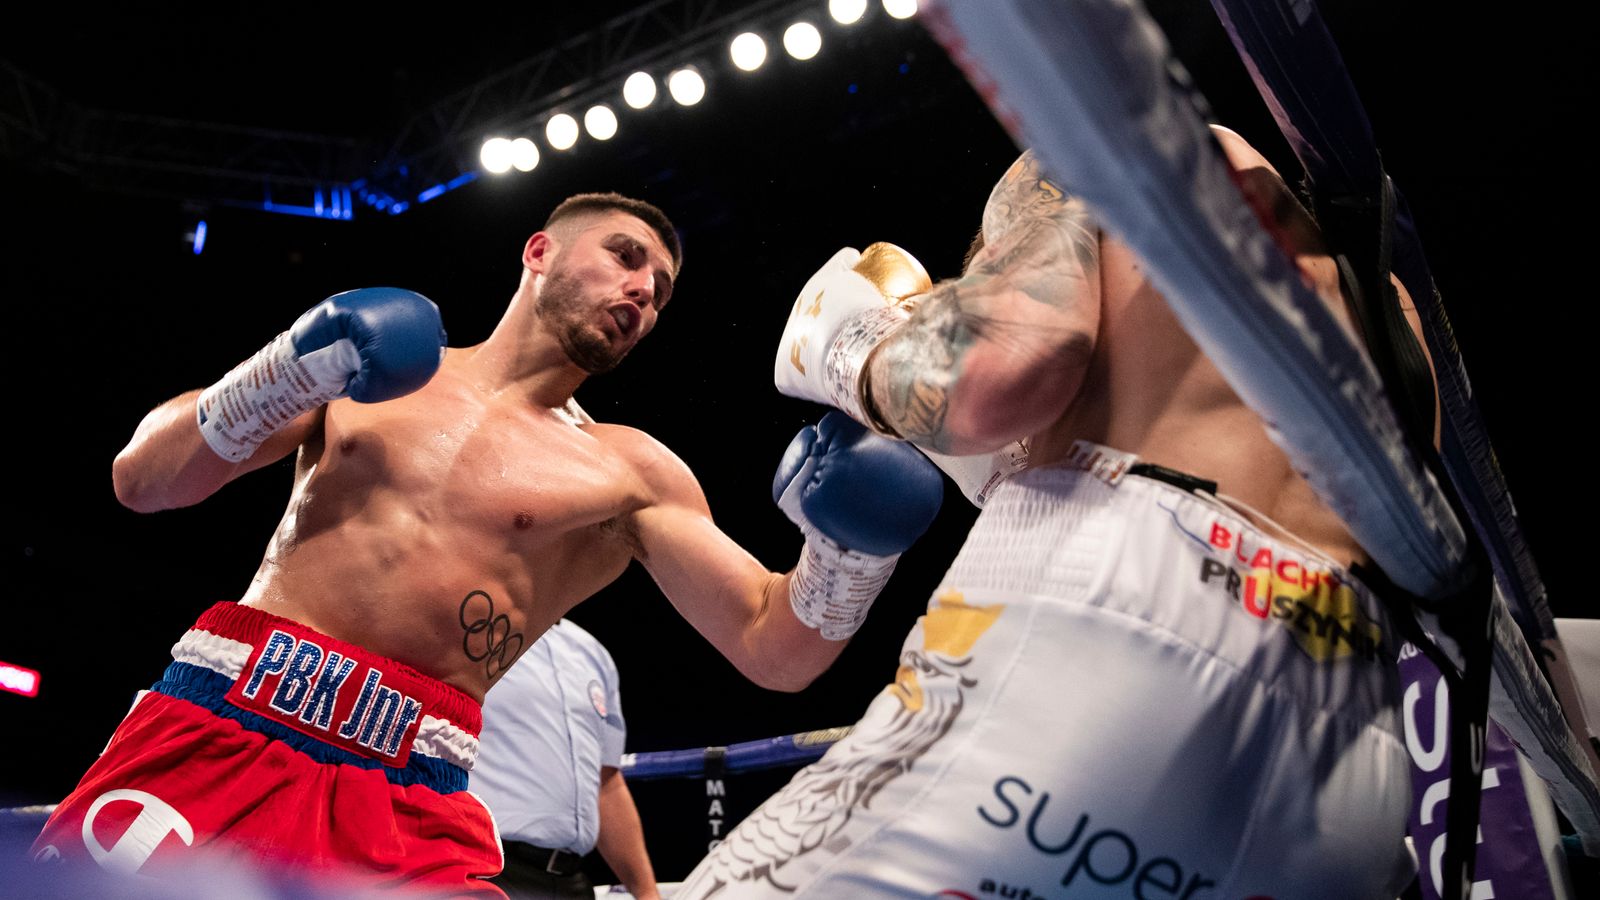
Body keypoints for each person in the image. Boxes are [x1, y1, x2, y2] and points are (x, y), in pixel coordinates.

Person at [31, 193, 944, 895]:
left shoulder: (626, 473)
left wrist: (848, 553)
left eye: (659, 290)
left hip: (408, 789)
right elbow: (144, 482)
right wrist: (285, 369)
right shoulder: (366, 370)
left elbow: (774, 645)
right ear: (539, 251)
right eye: (625, 259)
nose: (642, 292)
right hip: (226, 719)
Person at [678, 128, 1430, 898]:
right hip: (1352, 756)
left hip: (1111, 662)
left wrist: (854, 348)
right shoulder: (1386, 299)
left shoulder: (1099, 140)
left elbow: (994, 377)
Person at [471, 619, 659, 900]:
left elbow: (606, 783)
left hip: (571, 881)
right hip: (488, 870)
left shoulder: (592, 652)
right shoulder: (472, 632)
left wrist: (646, 893)